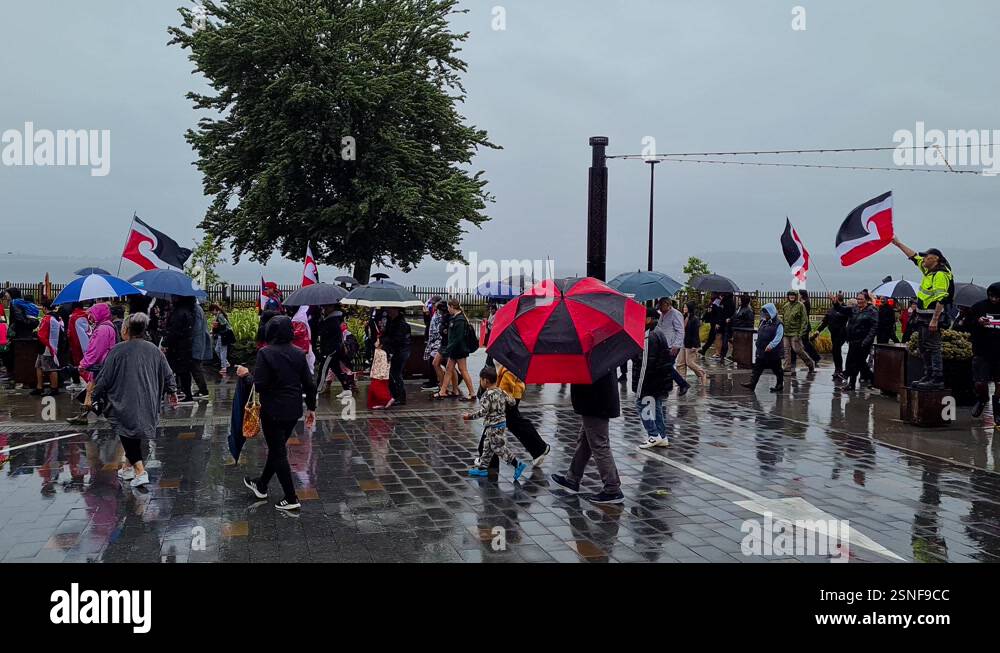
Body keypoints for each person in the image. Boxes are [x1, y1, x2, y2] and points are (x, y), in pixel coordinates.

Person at [238, 315, 317, 512]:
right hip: (292, 411)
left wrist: (246, 375)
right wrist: (312, 408)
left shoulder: (266, 353)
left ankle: (291, 498)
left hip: (273, 411)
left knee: (278, 452)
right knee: (277, 449)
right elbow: (309, 383)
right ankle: (262, 484)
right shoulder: (299, 353)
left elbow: (260, 385)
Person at [90, 313, 178, 488]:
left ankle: (140, 471)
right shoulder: (154, 349)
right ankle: (128, 467)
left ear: (126, 329)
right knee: (134, 432)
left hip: (124, 399)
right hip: (149, 398)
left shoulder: (118, 350)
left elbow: (104, 377)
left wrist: (95, 395)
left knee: (126, 432)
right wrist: (172, 390)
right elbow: (168, 373)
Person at [891, 236, 954, 390]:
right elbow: (913, 256)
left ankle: (937, 377)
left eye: (927, 256)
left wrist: (935, 319)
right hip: (923, 317)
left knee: (933, 347)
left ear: (936, 259)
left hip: (932, 317)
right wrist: (898, 243)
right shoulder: (929, 270)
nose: (924, 258)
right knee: (924, 346)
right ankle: (928, 374)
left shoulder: (940, 274)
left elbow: (942, 298)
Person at [550, 372, 623, 504]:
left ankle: (612, 489)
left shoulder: (594, 356)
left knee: (599, 444)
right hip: (595, 400)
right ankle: (572, 479)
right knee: (585, 440)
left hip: (595, 401)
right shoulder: (603, 353)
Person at [465, 366, 528, 480]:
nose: (480, 382)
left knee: (498, 448)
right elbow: (512, 402)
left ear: (486, 381)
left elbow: (483, 412)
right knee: (487, 447)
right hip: (500, 425)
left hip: (493, 426)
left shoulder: (486, 395)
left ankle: (517, 464)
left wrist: (470, 416)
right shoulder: (501, 391)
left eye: (481, 380)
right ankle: (482, 469)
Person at [66, 303, 118, 425]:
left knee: (93, 390)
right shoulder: (107, 327)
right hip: (103, 365)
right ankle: (84, 414)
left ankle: (89, 414)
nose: (91, 316)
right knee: (90, 389)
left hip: (100, 366)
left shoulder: (102, 330)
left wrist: (84, 363)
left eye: (93, 314)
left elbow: (95, 350)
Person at [495, 364, 550, 465]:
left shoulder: (510, 361)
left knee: (515, 422)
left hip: (510, 394)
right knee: (514, 422)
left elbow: (509, 378)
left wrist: (504, 396)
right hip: (512, 392)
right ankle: (538, 449)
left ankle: (540, 448)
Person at [637, 308, 674, 449]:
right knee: (656, 406)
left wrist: (639, 387)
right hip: (659, 379)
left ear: (649, 319)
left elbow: (645, 363)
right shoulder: (659, 333)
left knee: (642, 404)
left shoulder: (649, 336)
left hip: (649, 380)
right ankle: (662, 435)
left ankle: (653, 435)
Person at [968, 282, 1000, 421]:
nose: (994, 300)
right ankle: (982, 399)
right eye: (991, 296)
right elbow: (968, 323)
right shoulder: (979, 307)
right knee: (980, 382)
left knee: (999, 382)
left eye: (997, 297)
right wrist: (978, 321)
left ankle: (997, 409)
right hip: (982, 350)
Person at [434, 298, 476, 401]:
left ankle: (472, 393)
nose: (448, 309)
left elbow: (458, 337)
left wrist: (448, 348)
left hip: (459, 350)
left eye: (448, 307)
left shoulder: (460, 320)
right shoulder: (455, 318)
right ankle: (443, 391)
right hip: (455, 349)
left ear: (452, 307)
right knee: (449, 369)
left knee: (463, 370)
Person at [741, 303, 785, 392]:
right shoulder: (763, 321)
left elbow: (779, 337)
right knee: (757, 368)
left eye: (767, 313)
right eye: (764, 313)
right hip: (761, 350)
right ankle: (752, 384)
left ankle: (779, 384)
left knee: (777, 369)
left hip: (773, 351)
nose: (765, 315)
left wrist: (771, 345)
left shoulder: (778, 324)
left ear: (771, 313)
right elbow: (759, 332)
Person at [162, 295, 196, 402]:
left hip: (177, 348)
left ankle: (165, 392)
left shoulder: (178, 313)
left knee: (169, 370)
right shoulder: (189, 311)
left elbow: (174, 331)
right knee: (185, 372)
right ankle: (187, 393)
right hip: (186, 347)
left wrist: (165, 342)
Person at [842, 292, 878, 391]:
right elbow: (842, 310)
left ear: (866, 300)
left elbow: (874, 327)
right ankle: (854, 383)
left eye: (861, 299)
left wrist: (867, 340)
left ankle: (872, 379)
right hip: (853, 340)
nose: (859, 301)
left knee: (859, 363)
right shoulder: (855, 309)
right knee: (855, 363)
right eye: (858, 299)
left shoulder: (872, 311)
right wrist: (836, 303)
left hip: (863, 342)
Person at [656, 297, 691, 396]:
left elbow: (680, 330)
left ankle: (682, 384)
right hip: (664, 344)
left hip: (672, 345)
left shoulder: (675, 314)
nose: (660, 308)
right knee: (664, 367)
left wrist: (676, 344)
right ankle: (666, 388)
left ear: (667, 304)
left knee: (666, 367)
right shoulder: (662, 314)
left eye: (661, 305)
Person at [813, 293, 851, 380]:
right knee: (835, 351)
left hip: (842, 333)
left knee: (836, 349)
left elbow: (845, 315)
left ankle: (839, 369)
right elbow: (825, 321)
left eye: (836, 299)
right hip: (833, 333)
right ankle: (837, 369)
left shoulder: (845, 309)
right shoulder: (831, 310)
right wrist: (818, 330)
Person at [32, 301, 64, 397]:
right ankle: (39, 387)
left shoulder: (47, 318)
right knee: (39, 366)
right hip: (51, 345)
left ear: (45, 308)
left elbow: (41, 333)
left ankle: (53, 388)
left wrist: (36, 334)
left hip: (46, 346)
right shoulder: (58, 317)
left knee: (50, 368)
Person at [381, 307, 411, 407]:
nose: (388, 311)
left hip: (401, 351)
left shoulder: (401, 324)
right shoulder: (390, 321)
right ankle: (395, 395)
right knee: (393, 373)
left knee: (396, 373)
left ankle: (400, 397)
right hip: (394, 351)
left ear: (396, 310)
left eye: (390, 309)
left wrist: (385, 340)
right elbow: (387, 334)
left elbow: (397, 339)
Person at [780, 290, 814, 373]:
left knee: (798, 350)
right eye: (790, 295)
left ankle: (810, 363)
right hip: (786, 332)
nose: (791, 297)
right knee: (786, 350)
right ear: (788, 296)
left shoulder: (800, 306)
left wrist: (801, 333)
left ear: (796, 296)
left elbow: (804, 320)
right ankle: (787, 367)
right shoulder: (785, 306)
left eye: (793, 295)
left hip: (796, 332)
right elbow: (784, 318)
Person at [676, 301, 708, 384]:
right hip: (682, 342)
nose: (684, 308)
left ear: (690, 308)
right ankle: (682, 382)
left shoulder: (695, 319)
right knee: (680, 363)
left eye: (686, 307)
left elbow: (695, 334)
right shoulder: (683, 317)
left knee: (690, 363)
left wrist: (695, 345)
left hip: (691, 344)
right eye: (684, 307)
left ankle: (702, 373)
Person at [190, 301, 213, 399]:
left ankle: (203, 390)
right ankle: (203, 390)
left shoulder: (196, 310)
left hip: (197, 343)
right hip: (199, 342)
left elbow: (197, 328)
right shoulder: (198, 309)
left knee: (196, 367)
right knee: (196, 367)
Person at [209, 304, 234, 377]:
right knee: (217, 349)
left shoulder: (220, 315)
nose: (211, 313)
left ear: (214, 309)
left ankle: (224, 367)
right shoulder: (219, 314)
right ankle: (226, 363)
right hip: (223, 335)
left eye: (211, 311)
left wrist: (215, 326)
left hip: (223, 335)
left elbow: (224, 324)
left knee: (222, 350)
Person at [367, 339, 392, 409]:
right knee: (374, 389)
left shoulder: (383, 353)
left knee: (377, 389)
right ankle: (379, 403)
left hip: (380, 375)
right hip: (376, 373)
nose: (375, 342)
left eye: (377, 341)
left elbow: (384, 364)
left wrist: (382, 374)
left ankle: (387, 399)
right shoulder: (377, 351)